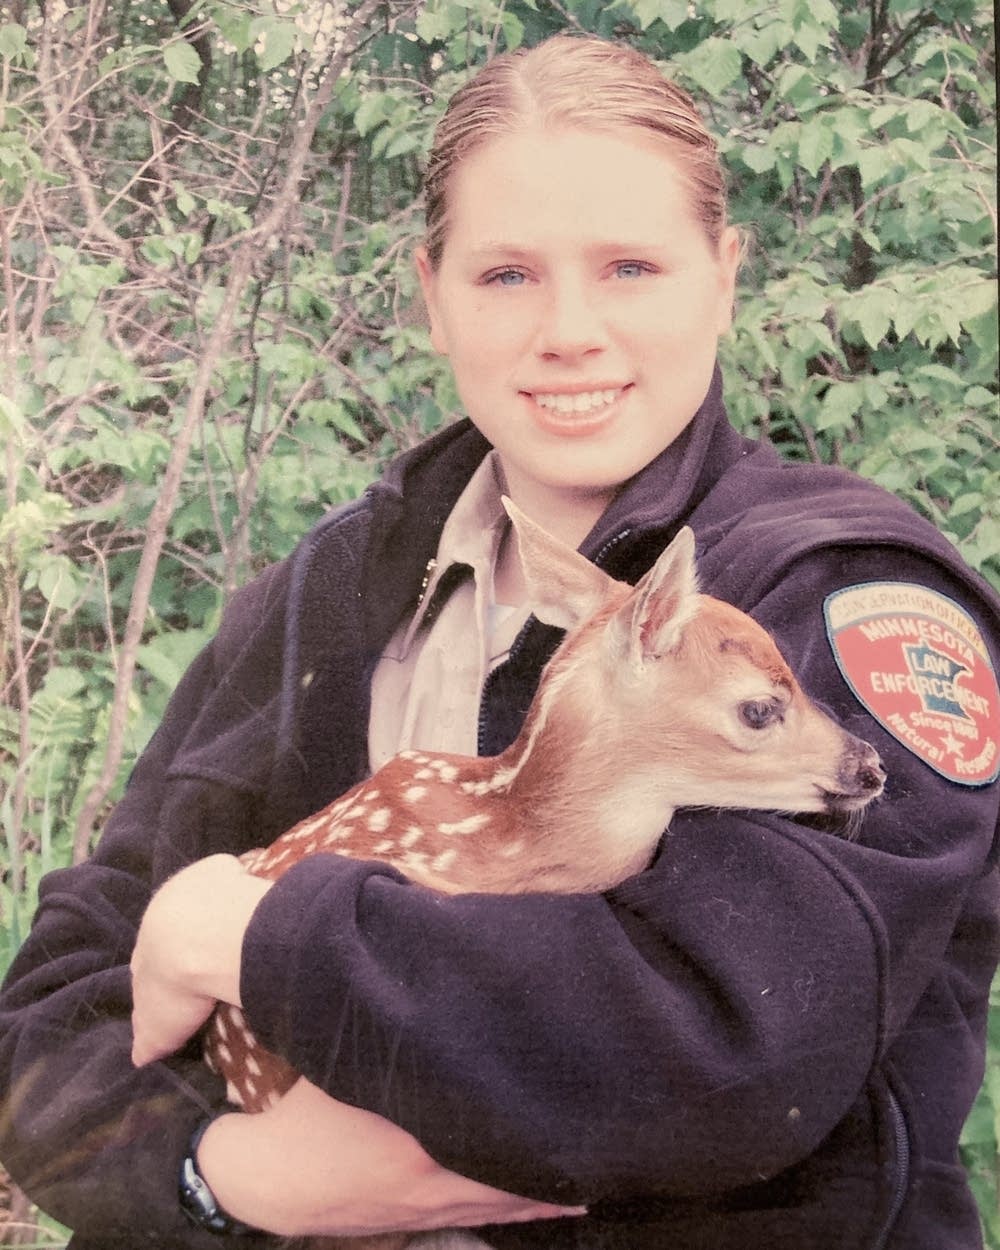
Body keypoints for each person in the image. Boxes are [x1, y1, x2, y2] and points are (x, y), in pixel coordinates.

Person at [1, 31, 998, 1250]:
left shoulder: (837, 594)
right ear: (432, 296)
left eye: (629, 266)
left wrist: (247, 929)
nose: (569, 330)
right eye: (507, 273)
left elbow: (721, 1059)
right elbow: (53, 1013)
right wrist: (221, 1176)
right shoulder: (327, 595)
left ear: (724, 277)